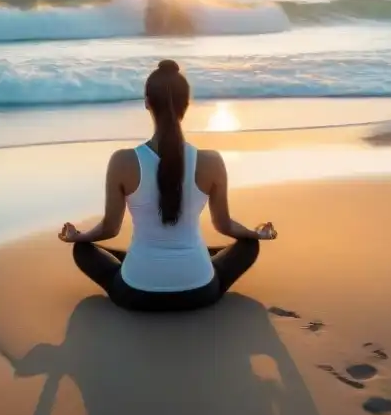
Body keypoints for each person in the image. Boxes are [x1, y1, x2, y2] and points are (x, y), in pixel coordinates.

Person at [58, 59, 277, 311]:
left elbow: (110, 228)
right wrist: (255, 233)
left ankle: (136, 260)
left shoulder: (123, 161)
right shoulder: (211, 161)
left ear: (147, 102)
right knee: (248, 245)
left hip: (135, 294)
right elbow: (224, 225)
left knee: (82, 251)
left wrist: (79, 237)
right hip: (200, 292)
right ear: (187, 104)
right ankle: (200, 257)